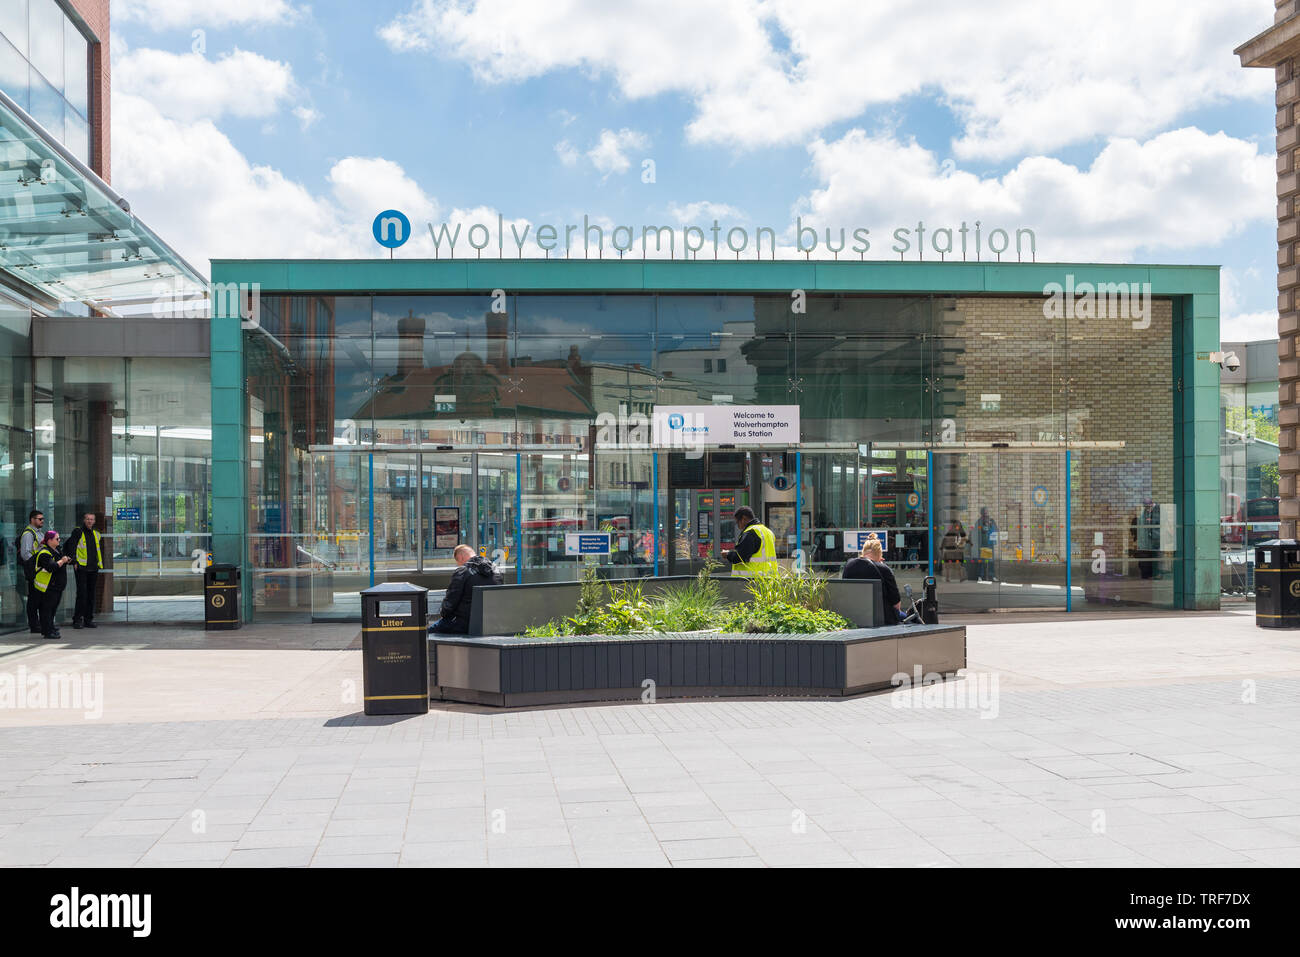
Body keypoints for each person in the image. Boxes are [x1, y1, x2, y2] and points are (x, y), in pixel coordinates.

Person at [430, 544, 503, 634]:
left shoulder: (463, 571)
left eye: (457, 561)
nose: (459, 564)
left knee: (426, 633)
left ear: (460, 557)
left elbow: (450, 602)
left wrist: (443, 613)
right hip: (491, 622)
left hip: (463, 623)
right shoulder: (496, 571)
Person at [842, 536, 903, 621]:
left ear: (863, 552)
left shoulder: (848, 565)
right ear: (880, 554)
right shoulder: (884, 569)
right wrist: (881, 565)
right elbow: (896, 605)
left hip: (853, 615)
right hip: (882, 618)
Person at [65, 512, 103, 629]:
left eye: (92, 519)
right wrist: (74, 561)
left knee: (91, 595)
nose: (89, 521)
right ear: (84, 520)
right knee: (82, 594)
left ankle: (88, 619)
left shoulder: (96, 534)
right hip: (81, 567)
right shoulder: (78, 531)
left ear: (94, 521)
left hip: (93, 567)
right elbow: (71, 546)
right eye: (87, 519)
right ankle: (77, 620)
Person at [33, 529, 71, 640]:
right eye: (57, 539)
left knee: (53, 609)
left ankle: (50, 627)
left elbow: (63, 559)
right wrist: (62, 561)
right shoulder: (44, 553)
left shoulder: (57, 550)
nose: (59, 540)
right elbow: (51, 567)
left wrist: (68, 559)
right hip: (48, 586)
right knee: (47, 609)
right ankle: (47, 631)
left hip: (57, 586)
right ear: (49, 540)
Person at [722, 506, 777, 577]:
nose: (738, 526)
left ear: (743, 518)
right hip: (769, 579)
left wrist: (727, 554)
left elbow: (740, 556)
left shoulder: (750, 532)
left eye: (737, 522)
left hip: (752, 580)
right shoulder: (767, 531)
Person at [15, 509, 45, 634]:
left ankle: (40, 623)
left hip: (40, 570)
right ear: (32, 520)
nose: (42, 521)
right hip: (34, 570)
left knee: (40, 598)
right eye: (40, 519)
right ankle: (34, 625)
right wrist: (36, 564)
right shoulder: (29, 534)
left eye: (43, 519)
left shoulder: (39, 533)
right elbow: (25, 553)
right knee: (33, 599)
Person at [974, 507, 998, 582]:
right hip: (983, 544)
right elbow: (977, 532)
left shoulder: (992, 521)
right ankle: (980, 576)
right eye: (984, 512)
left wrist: (991, 525)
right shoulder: (979, 521)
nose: (986, 513)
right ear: (981, 513)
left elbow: (996, 530)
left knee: (991, 562)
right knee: (982, 561)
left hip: (990, 544)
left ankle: (992, 576)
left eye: (987, 512)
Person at [940, 518, 967, 582]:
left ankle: (951, 578)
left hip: (951, 549)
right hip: (952, 549)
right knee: (954, 564)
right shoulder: (954, 531)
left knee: (951, 564)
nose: (957, 526)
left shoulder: (952, 530)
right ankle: (958, 578)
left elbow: (945, 539)